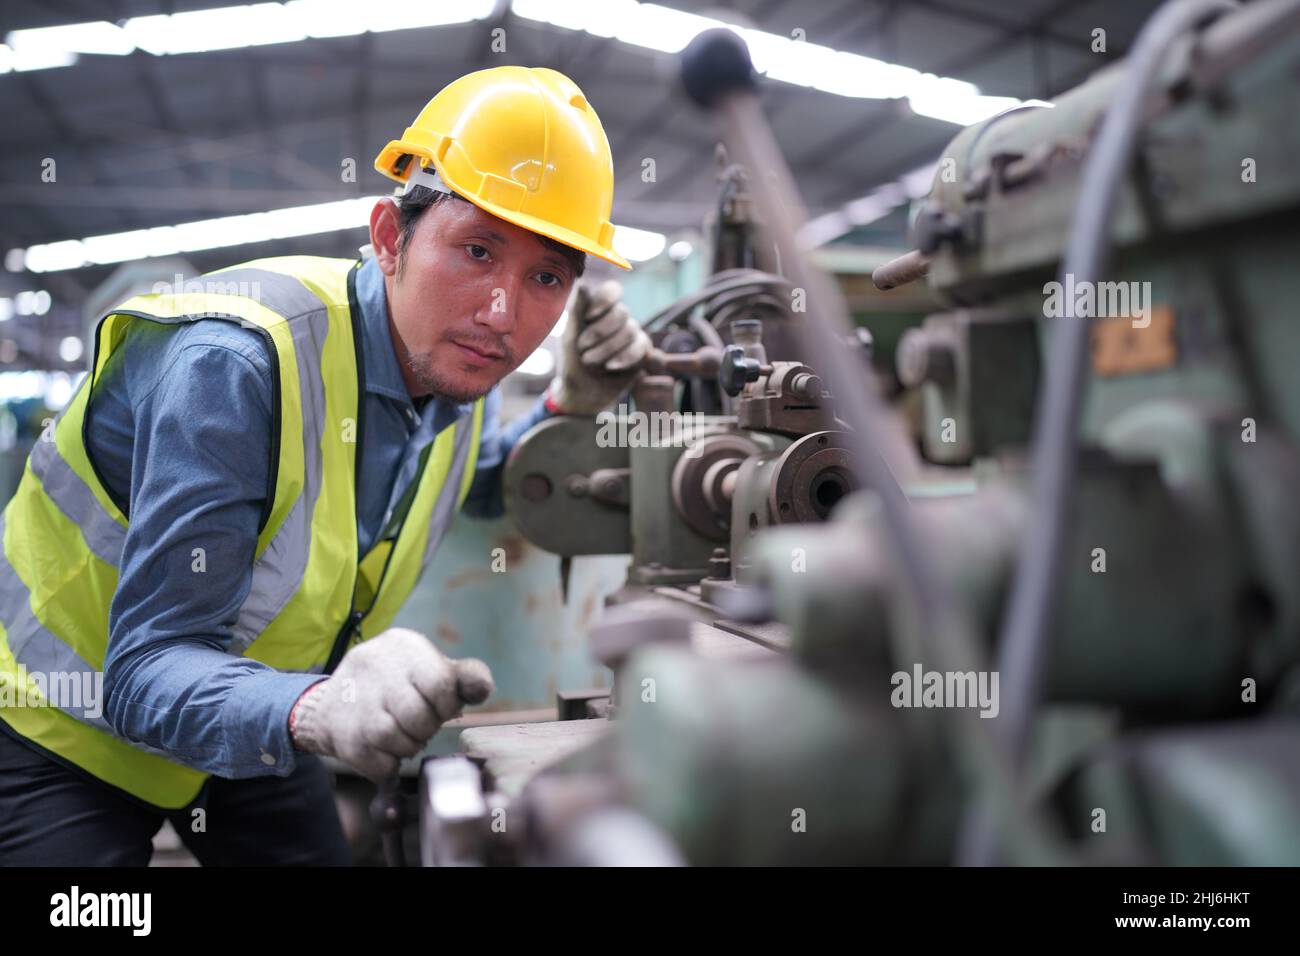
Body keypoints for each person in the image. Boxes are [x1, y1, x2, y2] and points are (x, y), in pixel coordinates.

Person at [0, 65, 649, 865]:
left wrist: (565, 412)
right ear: (389, 238)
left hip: (247, 710)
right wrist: (322, 702)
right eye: (477, 250)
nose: (503, 313)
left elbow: (467, 482)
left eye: (546, 275)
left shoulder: (455, 364)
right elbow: (143, 675)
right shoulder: (235, 366)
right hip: (63, 731)